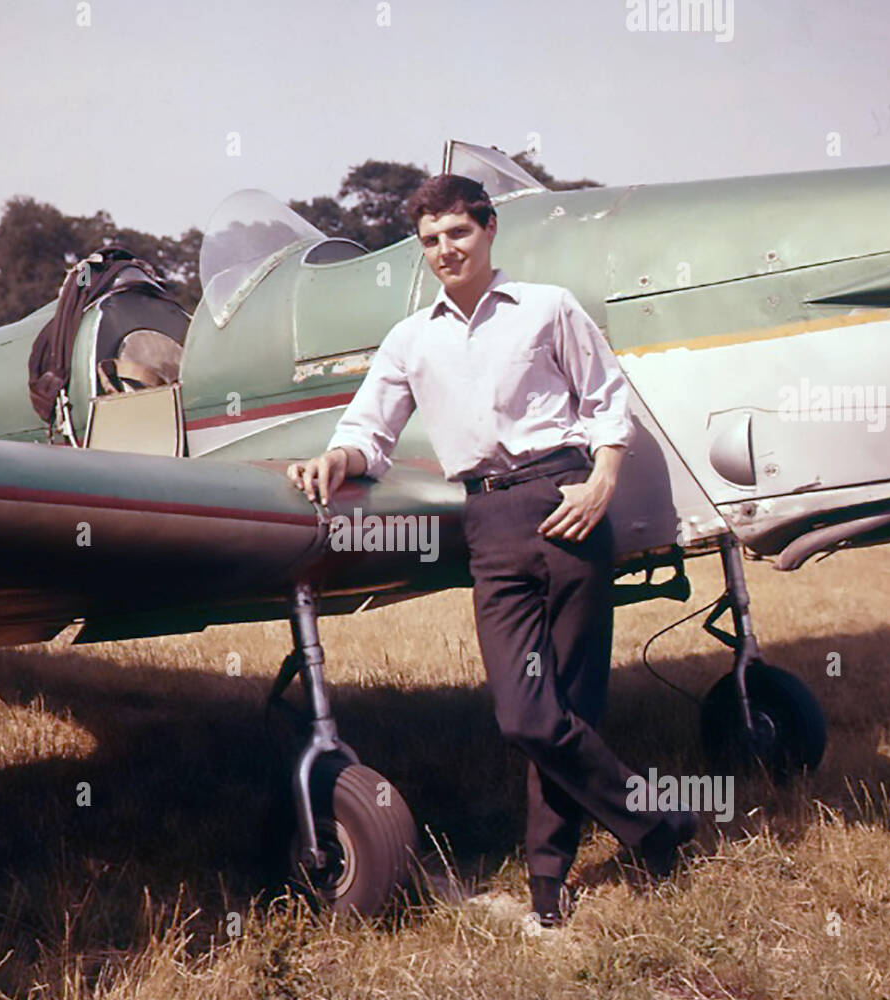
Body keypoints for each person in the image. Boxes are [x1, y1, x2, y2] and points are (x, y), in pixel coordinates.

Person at [286, 174, 696, 926]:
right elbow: (367, 432)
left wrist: (602, 481)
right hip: (490, 523)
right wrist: (333, 463)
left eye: (458, 234)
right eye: (431, 241)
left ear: (488, 229)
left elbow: (608, 402)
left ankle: (548, 877)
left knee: (573, 704)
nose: (445, 250)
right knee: (525, 714)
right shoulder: (413, 338)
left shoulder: (549, 307)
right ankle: (656, 821)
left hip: (568, 500)